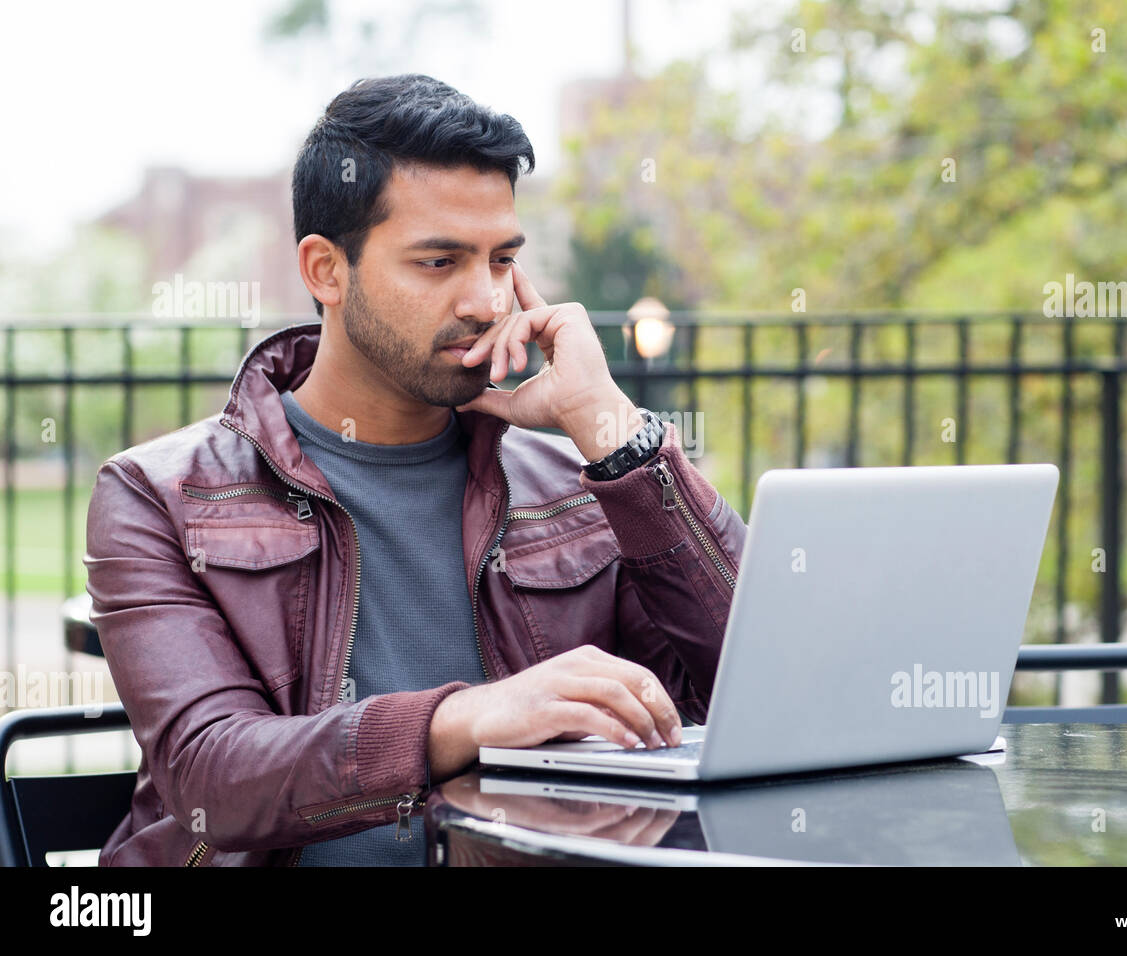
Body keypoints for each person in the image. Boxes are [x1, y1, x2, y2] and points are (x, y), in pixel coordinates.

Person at [83, 74, 746, 866]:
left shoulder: (576, 485)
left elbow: (755, 689)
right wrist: (465, 721)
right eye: (439, 262)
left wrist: (614, 433)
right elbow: (212, 778)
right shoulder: (160, 497)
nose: (485, 300)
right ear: (326, 270)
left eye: (503, 260)